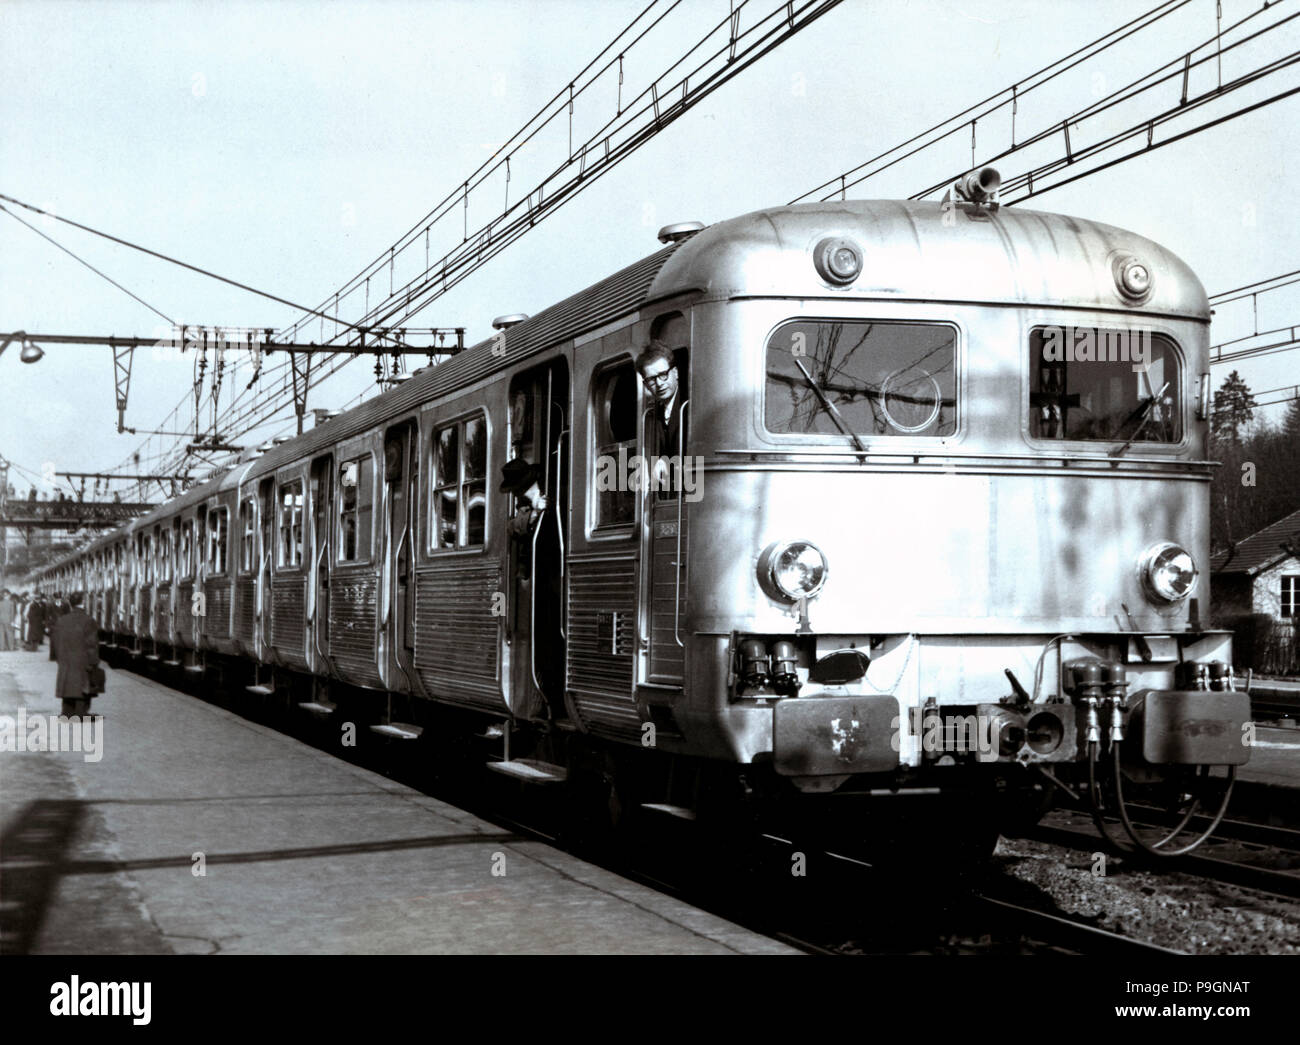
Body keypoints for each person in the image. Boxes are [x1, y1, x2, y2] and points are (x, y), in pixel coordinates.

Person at [499, 457, 564, 712]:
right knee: (543, 639)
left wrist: (540, 510)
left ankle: (552, 696)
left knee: (549, 640)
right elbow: (513, 529)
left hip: (552, 581)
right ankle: (546, 694)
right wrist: (535, 512)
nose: (514, 493)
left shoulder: (551, 497)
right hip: (540, 584)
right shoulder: (527, 506)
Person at [635, 340, 687, 457]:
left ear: (675, 373)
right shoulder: (655, 412)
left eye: (663, 374)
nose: (659, 383)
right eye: (652, 379)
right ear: (646, 385)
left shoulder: (688, 405)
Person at [52, 591, 101, 717]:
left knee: (67, 683)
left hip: (65, 659)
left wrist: (58, 657)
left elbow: (55, 641)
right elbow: (92, 644)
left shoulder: (62, 620)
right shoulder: (88, 620)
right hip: (82, 659)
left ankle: (66, 712)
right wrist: (94, 662)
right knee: (82, 685)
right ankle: (81, 713)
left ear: (70, 603)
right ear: (83, 603)